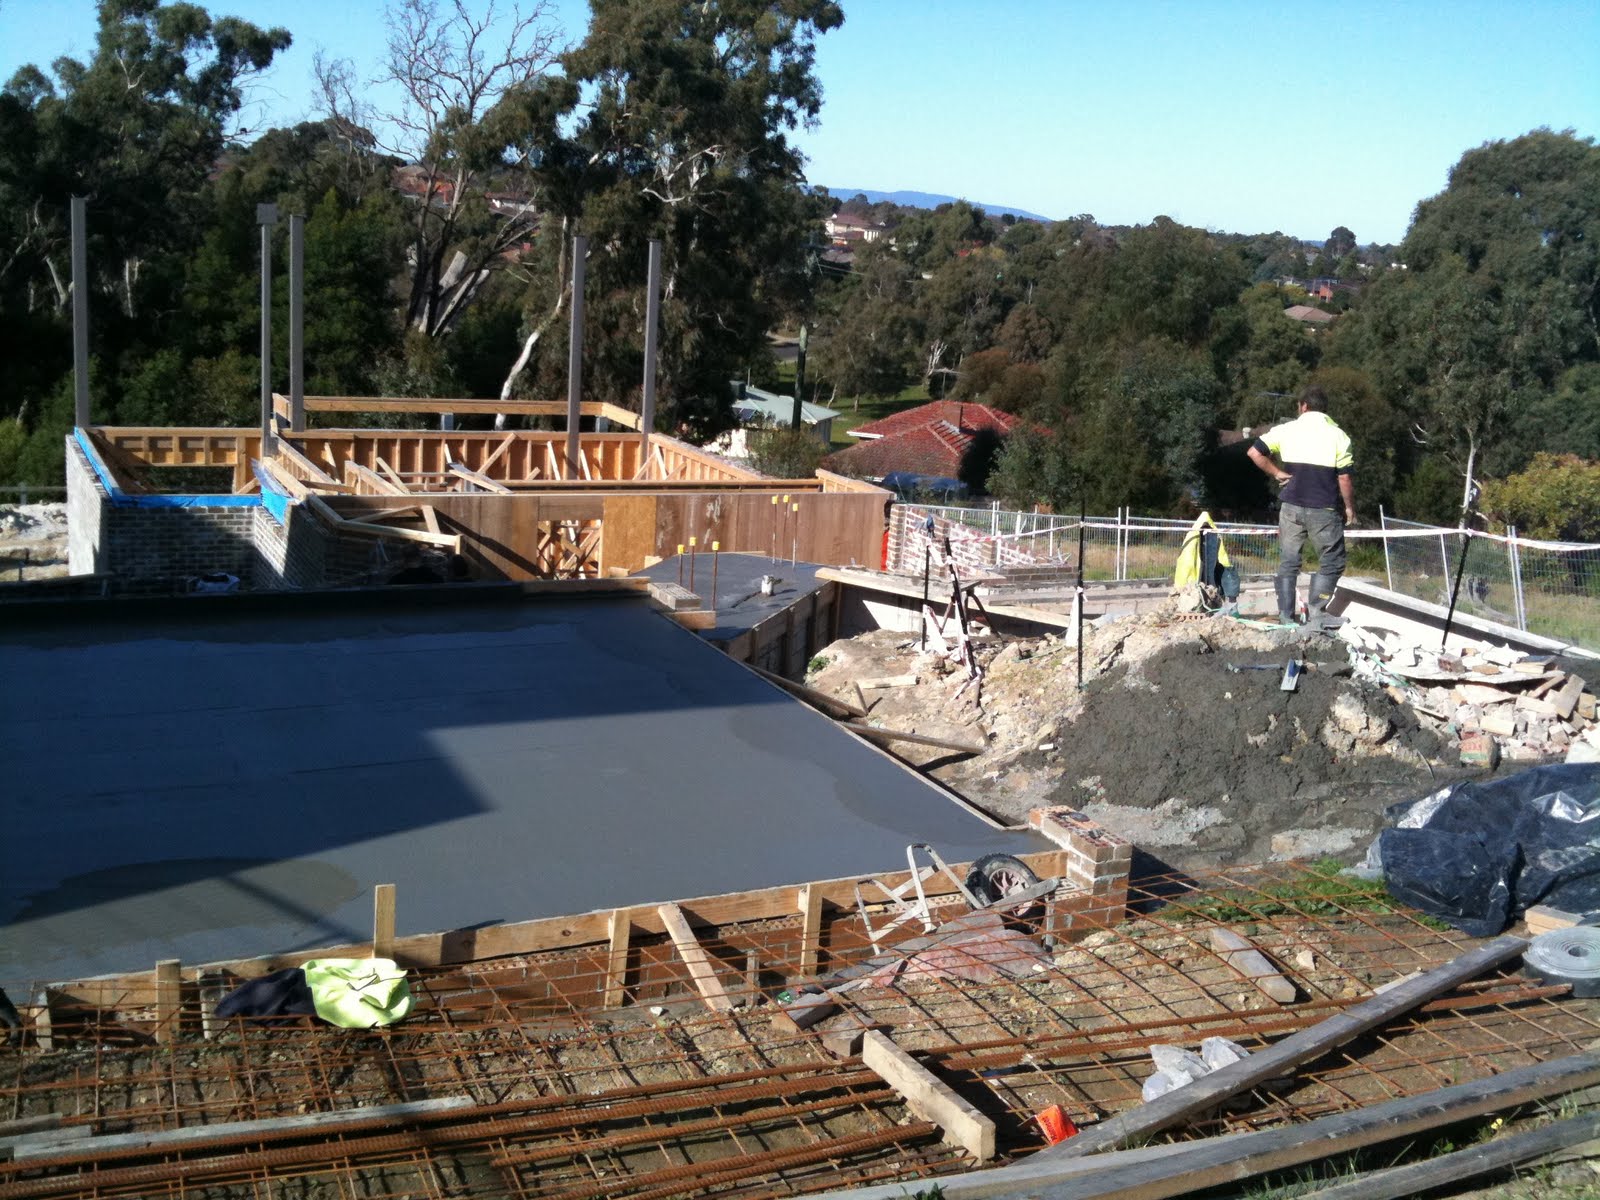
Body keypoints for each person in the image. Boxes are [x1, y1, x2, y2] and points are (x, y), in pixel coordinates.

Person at [1247, 385, 1356, 627]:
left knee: (1289, 561)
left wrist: (1276, 472)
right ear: (1324, 409)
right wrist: (1349, 508)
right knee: (1332, 561)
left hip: (1291, 506)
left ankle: (1286, 617)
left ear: (1303, 406)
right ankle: (1318, 612)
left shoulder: (1286, 430)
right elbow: (1345, 478)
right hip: (1324, 509)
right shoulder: (1339, 436)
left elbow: (1254, 452)